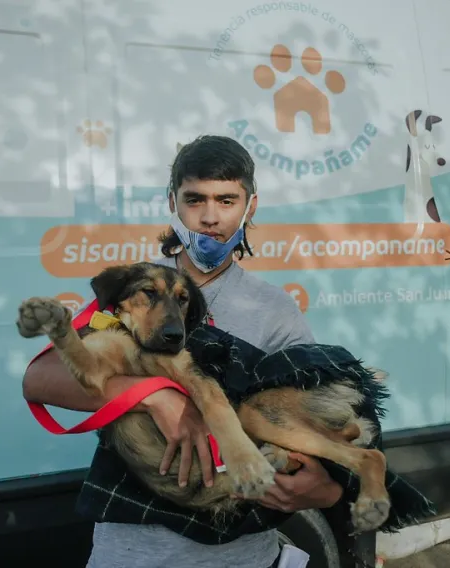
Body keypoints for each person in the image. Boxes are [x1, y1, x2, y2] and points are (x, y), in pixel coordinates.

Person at [22, 134, 344, 568]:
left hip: (239, 553)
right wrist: (157, 396)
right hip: (131, 552)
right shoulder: (132, 289)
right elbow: (40, 380)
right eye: (196, 199)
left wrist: (325, 487)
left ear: (251, 206)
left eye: (227, 201)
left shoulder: (275, 310)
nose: (211, 218)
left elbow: (308, 416)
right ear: (172, 202)